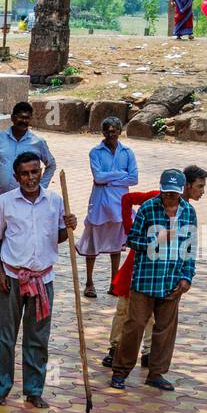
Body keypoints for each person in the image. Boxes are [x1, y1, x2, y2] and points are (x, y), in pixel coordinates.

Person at [0, 151, 76, 409]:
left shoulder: (54, 201)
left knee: (38, 337)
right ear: (16, 177)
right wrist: (0, 273)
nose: (30, 178)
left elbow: (58, 237)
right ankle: (1, 388)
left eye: (34, 171)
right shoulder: (5, 202)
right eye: (24, 173)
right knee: (5, 336)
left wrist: (68, 226)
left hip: (42, 278)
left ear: (41, 172)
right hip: (12, 277)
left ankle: (34, 390)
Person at [110, 169, 198, 393]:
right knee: (134, 326)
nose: (170, 198)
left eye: (174, 194)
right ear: (161, 190)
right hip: (146, 279)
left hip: (172, 279)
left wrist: (187, 277)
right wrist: (156, 239)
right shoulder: (148, 208)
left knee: (165, 330)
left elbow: (190, 248)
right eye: (166, 193)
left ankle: (156, 373)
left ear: (181, 192)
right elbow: (132, 240)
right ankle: (120, 371)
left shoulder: (189, 212)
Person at [78, 117, 138, 299]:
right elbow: (98, 177)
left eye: (114, 131)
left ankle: (114, 283)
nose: (111, 134)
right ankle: (89, 282)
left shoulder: (128, 152)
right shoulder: (95, 152)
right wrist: (120, 175)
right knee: (92, 244)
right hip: (100, 204)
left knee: (116, 245)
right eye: (107, 131)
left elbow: (134, 178)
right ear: (102, 132)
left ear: (120, 132)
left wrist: (108, 178)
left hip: (120, 205)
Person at [0, 102, 57, 199]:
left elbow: (51, 165)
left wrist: (41, 187)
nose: (24, 121)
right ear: (12, 118)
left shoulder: (38, 142)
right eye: (20, 117)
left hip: (24, 200)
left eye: (27, 118)